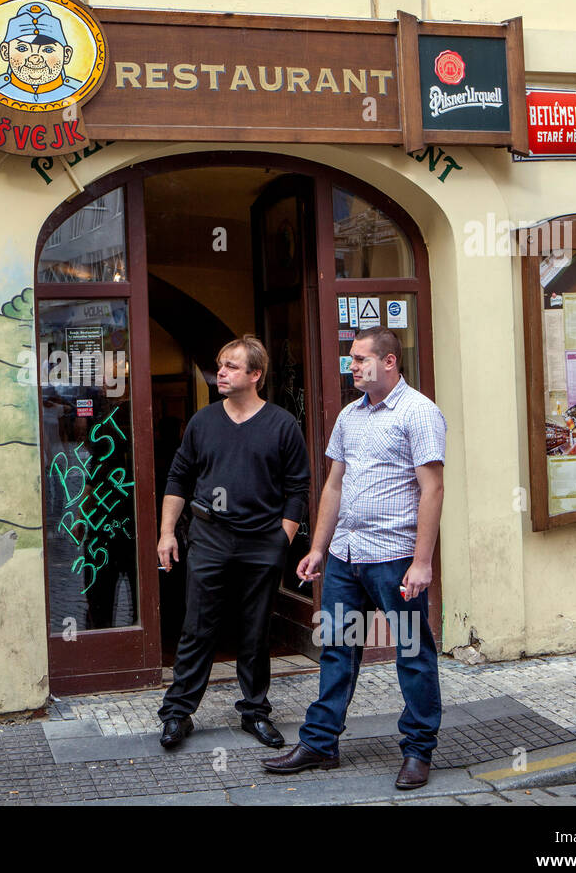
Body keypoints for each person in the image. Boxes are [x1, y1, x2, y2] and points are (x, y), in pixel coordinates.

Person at [261, 327, 446, 790]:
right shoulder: (349, 415)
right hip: (346, 556)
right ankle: (321, 743)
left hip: (394, 558)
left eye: (361, 358)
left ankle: (418, 750)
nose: (352, 365)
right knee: (337, 649)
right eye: (351, 358)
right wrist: (318, 547)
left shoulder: (419, 412)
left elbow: (433, 489)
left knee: (411, 653)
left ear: (389, 362)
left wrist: (422, 563)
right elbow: (334, 486)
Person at [156, 336, 310, 750]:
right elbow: (178, 478)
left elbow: (297, 487)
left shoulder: (281, 424)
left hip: (262, 541)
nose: (220, 372)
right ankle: (177, 714)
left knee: (255, 630)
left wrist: (283, 538)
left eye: (231, 367)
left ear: (255, 375)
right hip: (209, 537)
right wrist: (167, 532)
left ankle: (255, 712)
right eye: (219, 365)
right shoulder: (203, 422)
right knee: (197, 628)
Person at [0, 2, 83, 103]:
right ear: (5, 51)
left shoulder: (77, 91)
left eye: (48, 50)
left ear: (66, 55)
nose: (35, 59)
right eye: (22, 49)